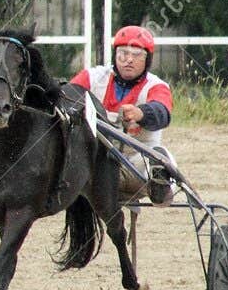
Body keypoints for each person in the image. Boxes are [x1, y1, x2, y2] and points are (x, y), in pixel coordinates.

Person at [70, 25, 176, 205]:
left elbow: (162, 112)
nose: (128, 60)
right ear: (115, 55)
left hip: (137, 164)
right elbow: (67, 95)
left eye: (136, 55)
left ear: (147, 59)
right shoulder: (93, 77)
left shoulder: (156, 86)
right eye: (123, 53)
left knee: (160, 157)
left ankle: (161, 187)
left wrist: (141, 113)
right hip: (98, 163)